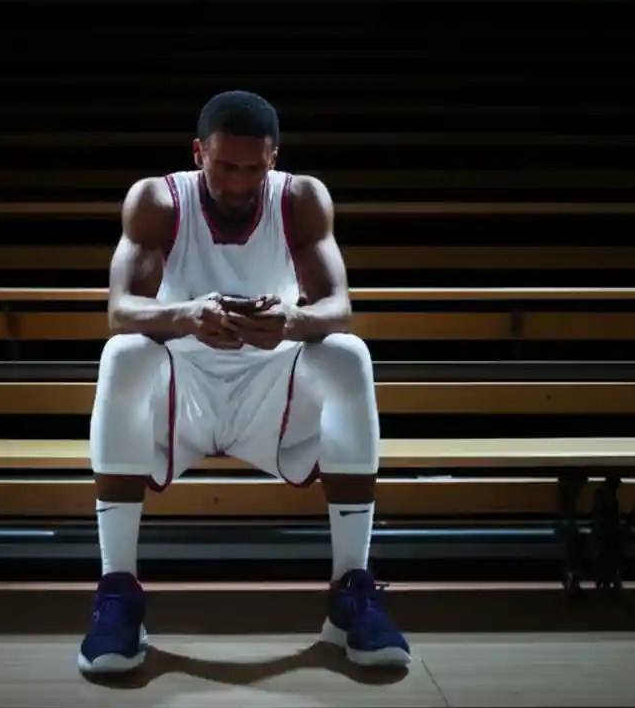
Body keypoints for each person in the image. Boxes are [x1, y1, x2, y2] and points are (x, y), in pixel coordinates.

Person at [79, 90, 410, 673]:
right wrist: (188, 315)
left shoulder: (300, 198)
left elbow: (339, 308)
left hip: (269, 387)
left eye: (254, 168)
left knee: (348, 354)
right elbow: (120, 310)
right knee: (123, 354)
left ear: (273, 158)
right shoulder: (158, 199)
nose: (238, 183)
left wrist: (291, 322)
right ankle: (118, 593)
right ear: (198, 153)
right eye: (225, 166)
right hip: (184, 389)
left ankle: (351, 591)